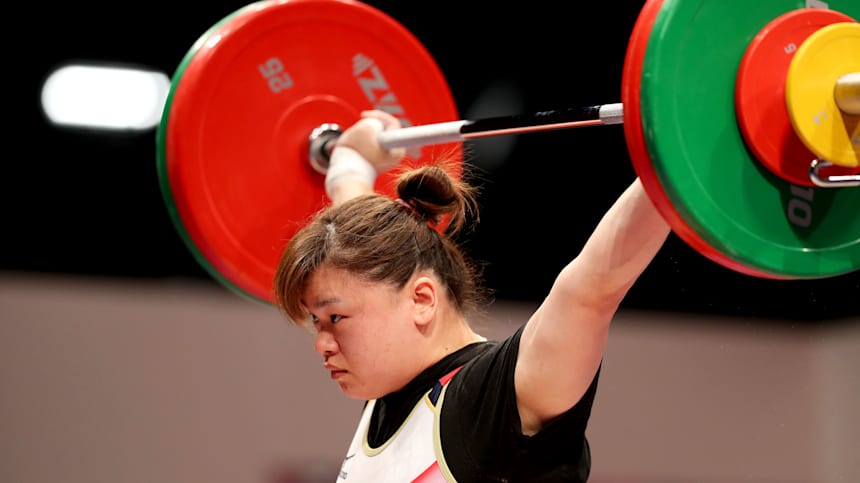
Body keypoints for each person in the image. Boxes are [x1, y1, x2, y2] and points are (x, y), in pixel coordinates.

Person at [273, 109, 671, 482]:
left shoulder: (496, 398)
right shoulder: (389, 384)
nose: (322, 344)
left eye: (335, 319)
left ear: (422, 300)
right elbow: (363, 245)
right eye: (316, 321)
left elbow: (594, 287)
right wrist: (348, 165)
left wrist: (675, 154)